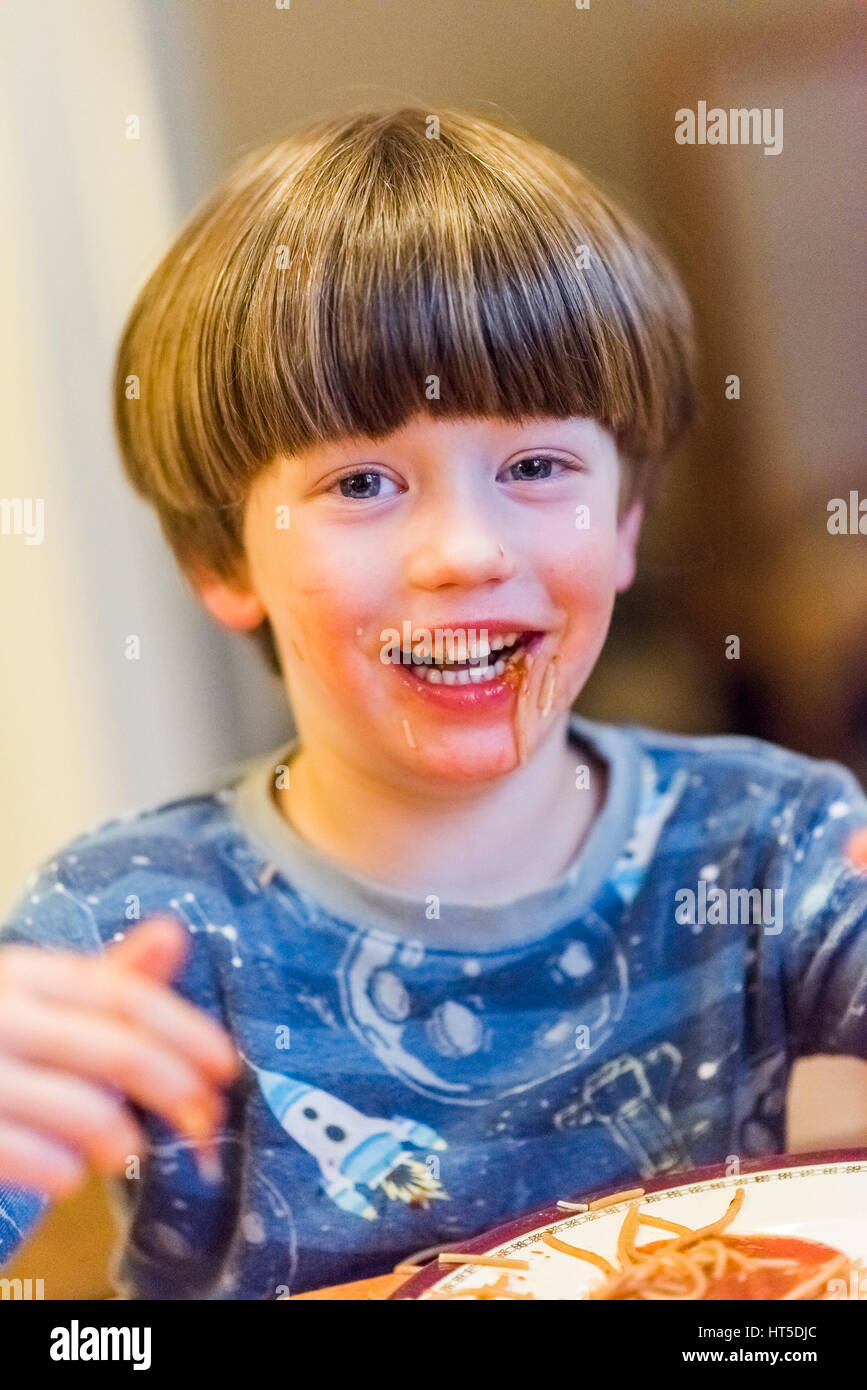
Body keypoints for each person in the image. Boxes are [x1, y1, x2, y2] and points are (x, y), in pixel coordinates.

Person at [1, 106, 865, 1299]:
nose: (464, 549)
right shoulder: (126, 926)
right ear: (226, 563)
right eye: (362, 481)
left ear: (622, 523)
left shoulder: (781, 849)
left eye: (534, 467)